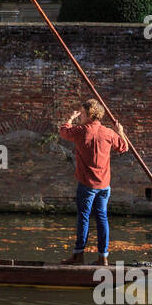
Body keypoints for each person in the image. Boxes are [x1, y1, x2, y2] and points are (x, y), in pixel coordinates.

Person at [58, 99, 130, 265]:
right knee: (102, 218)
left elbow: (64, 132)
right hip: (104, 185)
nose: (80, 116)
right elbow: (124, 147)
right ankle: (103, 257)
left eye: (82, 113)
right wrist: (120, 131)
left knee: (83, 218)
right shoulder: (108, 133)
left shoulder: (82, 130)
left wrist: (70, 118)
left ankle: (78, 255)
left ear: (90, 115)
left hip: (87, 184)